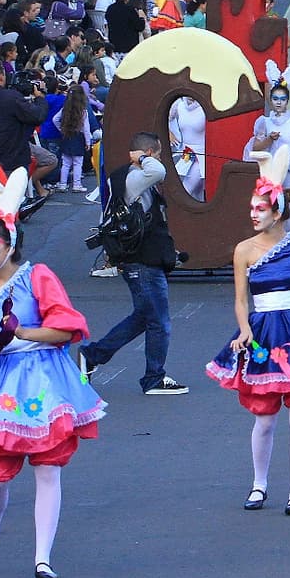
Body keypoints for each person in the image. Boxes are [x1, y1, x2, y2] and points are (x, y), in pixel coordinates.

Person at [0, 168, 106, 578]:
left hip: (43, 378)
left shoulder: (38, 276)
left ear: (10, 243)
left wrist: (22, 332)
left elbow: (69, 327)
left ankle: (42, 556)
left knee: (47, 467)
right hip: (1, 382)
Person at [205, 148, 290, 515]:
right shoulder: (243, 251)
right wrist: (244, 329)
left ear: (277, 211)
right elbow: (240, 299)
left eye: (259, 209)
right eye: (251, 209)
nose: (252, 214)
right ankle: (259, 484)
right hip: (264, 334)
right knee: (264, 418)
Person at [78, 132, 186, 395]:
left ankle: (92, 355)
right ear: (148, 153)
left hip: (142, 259)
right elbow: (158, 170)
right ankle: (153, 378)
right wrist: (145, 159)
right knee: (159, 321)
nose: (159, 159)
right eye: (157, 153)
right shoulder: (134, 178)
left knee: (143, 317)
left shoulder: (131, 179)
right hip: (142, 262)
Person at [247, 61, 290, 231]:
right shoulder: (264, 123)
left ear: (287, 100)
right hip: (272, 176)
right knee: (271, 216)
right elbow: (256, 147)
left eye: (282, 99)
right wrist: (269, 140)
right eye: (275, 99)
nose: (279, 102)